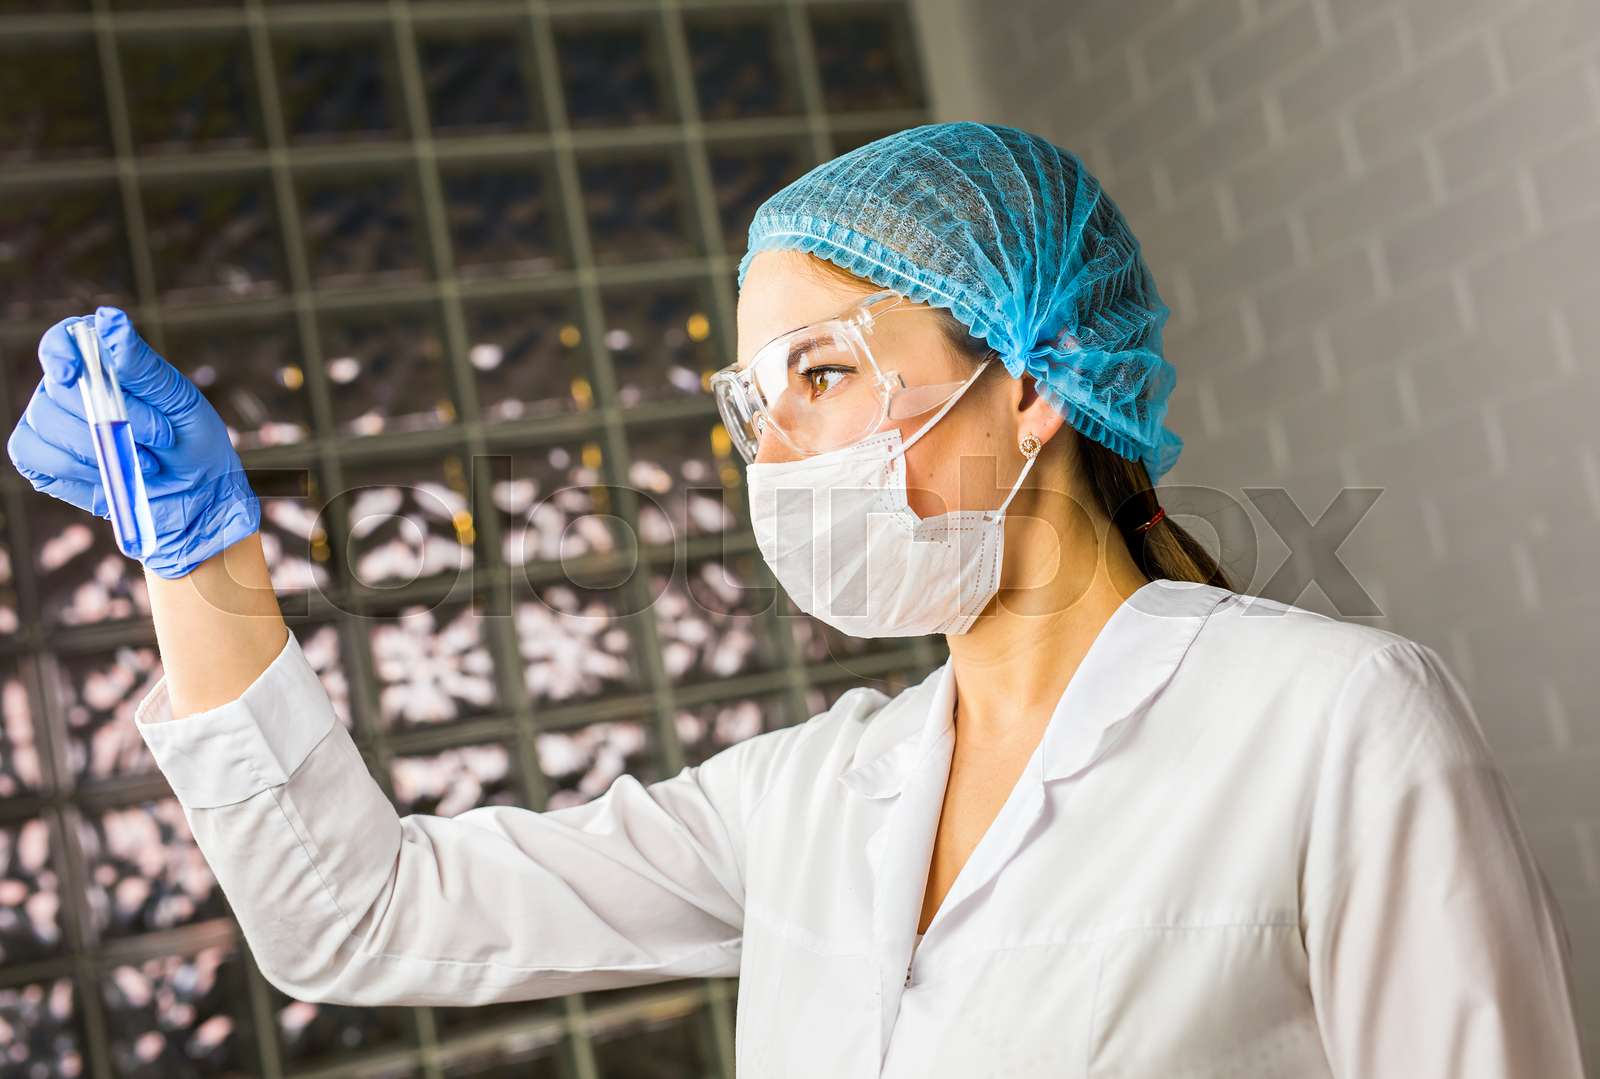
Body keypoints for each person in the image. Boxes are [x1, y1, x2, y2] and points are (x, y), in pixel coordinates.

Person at [8, 122, 1586, 1077]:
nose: (781, 449)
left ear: (1029, 377)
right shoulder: (816, 797)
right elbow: (361, 919)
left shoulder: (1332, 723)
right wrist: (197, 560)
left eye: (823, 373)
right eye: (758, 403)